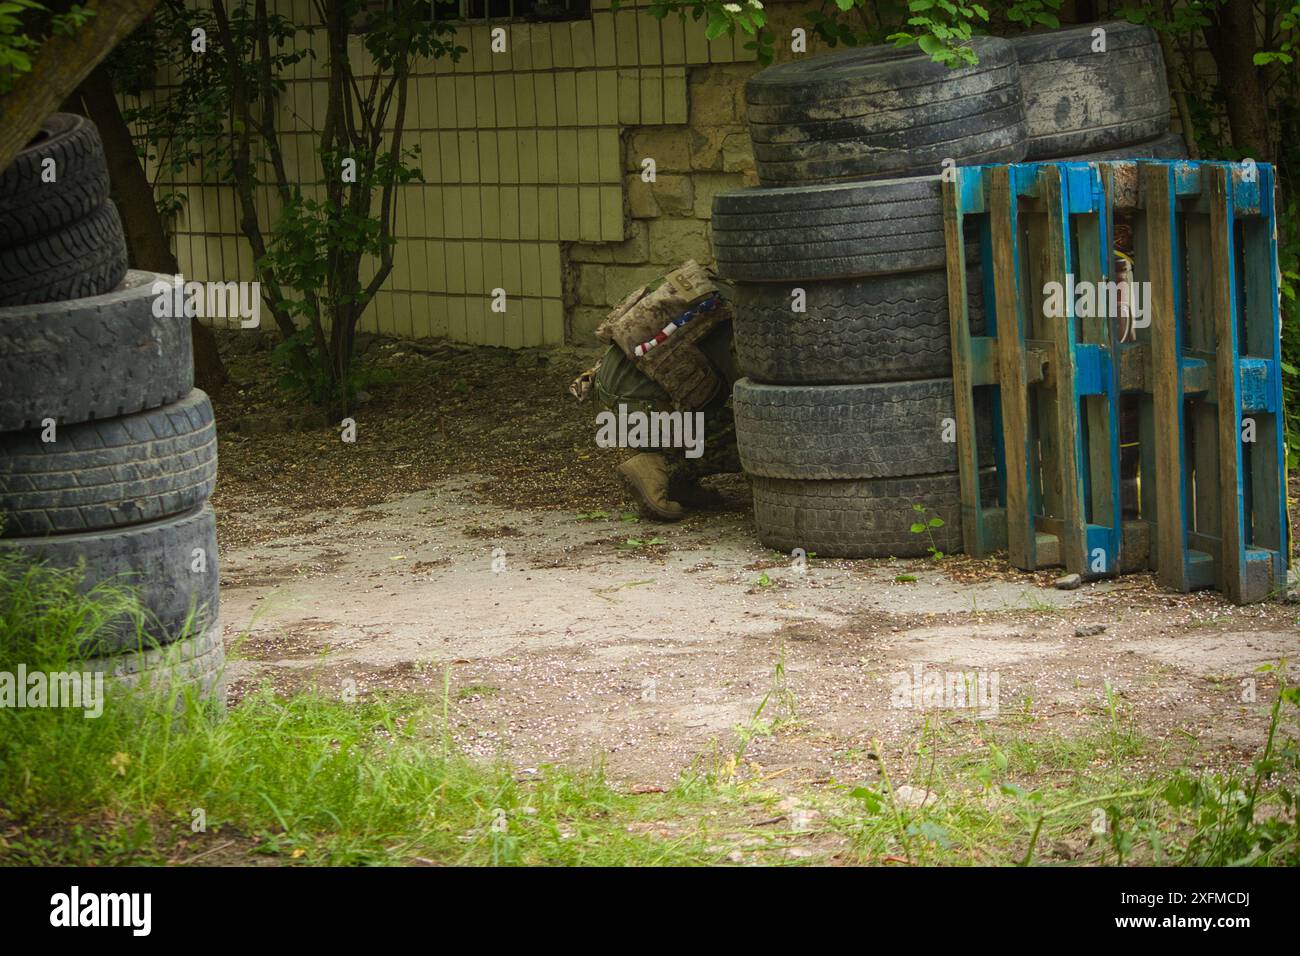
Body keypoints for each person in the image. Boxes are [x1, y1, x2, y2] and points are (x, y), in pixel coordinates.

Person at [570, 262, 741, 521]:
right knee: (757, 433)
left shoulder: (695, 279)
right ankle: (662, 469)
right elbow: (747, 388)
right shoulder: (728, 309)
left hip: (604, 397)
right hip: (643, 412)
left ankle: (678, 484)